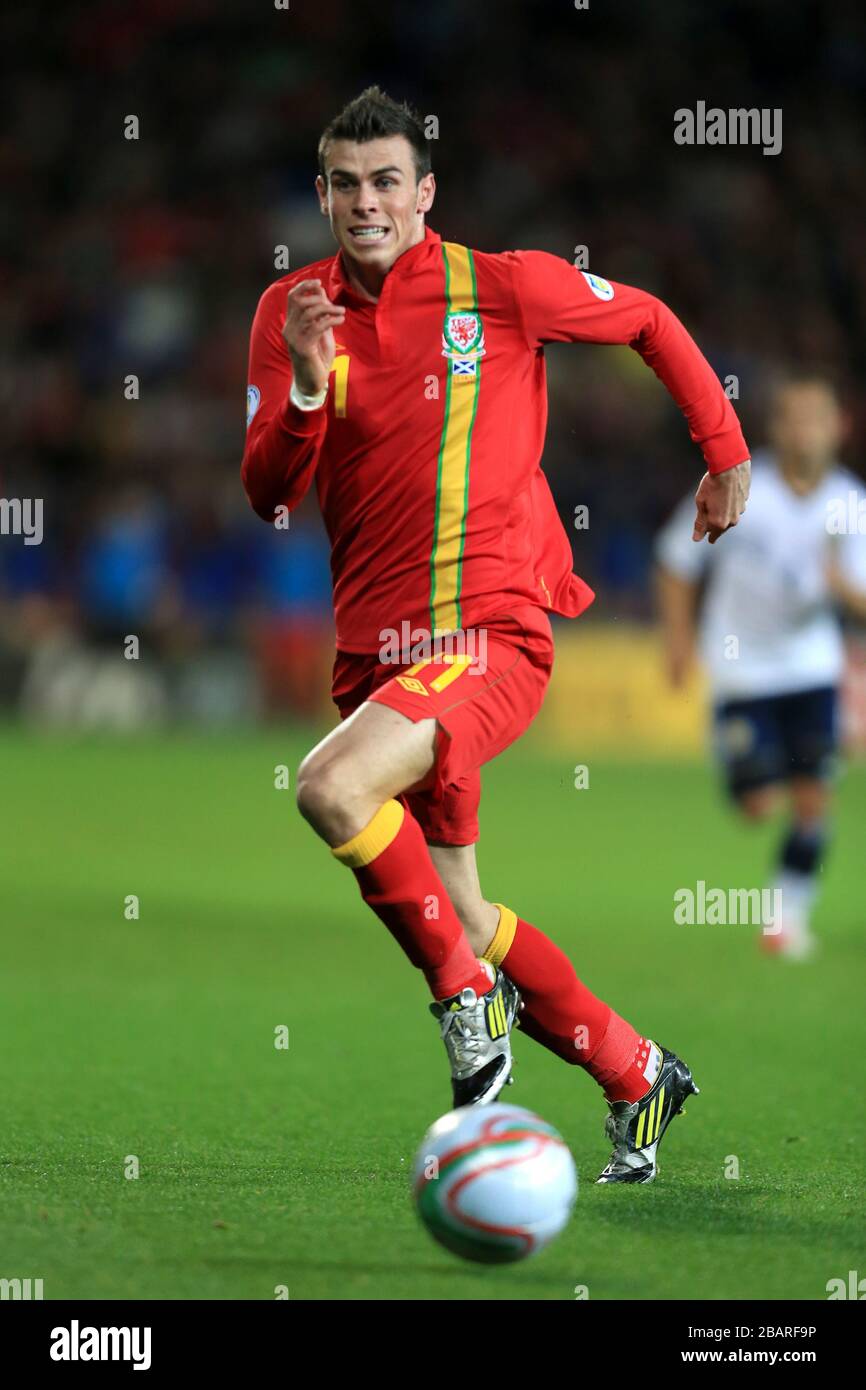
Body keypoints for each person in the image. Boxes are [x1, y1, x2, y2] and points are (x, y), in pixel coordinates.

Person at [241, 87, 750, 1183]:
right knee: (462, 913)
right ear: (321, 192)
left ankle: (465, 1006)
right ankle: (635, 1070)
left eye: (386, 181)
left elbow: (649, 320)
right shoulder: (292, 311)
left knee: (331, 791)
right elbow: (265, 493)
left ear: (425, 193)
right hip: (374, 656)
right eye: (343, 181)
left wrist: (723, 450)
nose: (364, 201)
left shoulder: (501, 287)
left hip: (490, 638)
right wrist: (299, 387)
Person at [656, 375, 866, 960]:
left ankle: (785, 918)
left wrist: (839, 585)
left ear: (838, 428)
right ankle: (738, 760)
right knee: (758, 806)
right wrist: (677, 639)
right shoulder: (740, 488)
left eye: (817, 418)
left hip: (812, 668)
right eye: (794, 418)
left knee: (813, 797)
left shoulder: (852, 504)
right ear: (777, 429)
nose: (806, 430)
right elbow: (676, 560)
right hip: (742, 668)